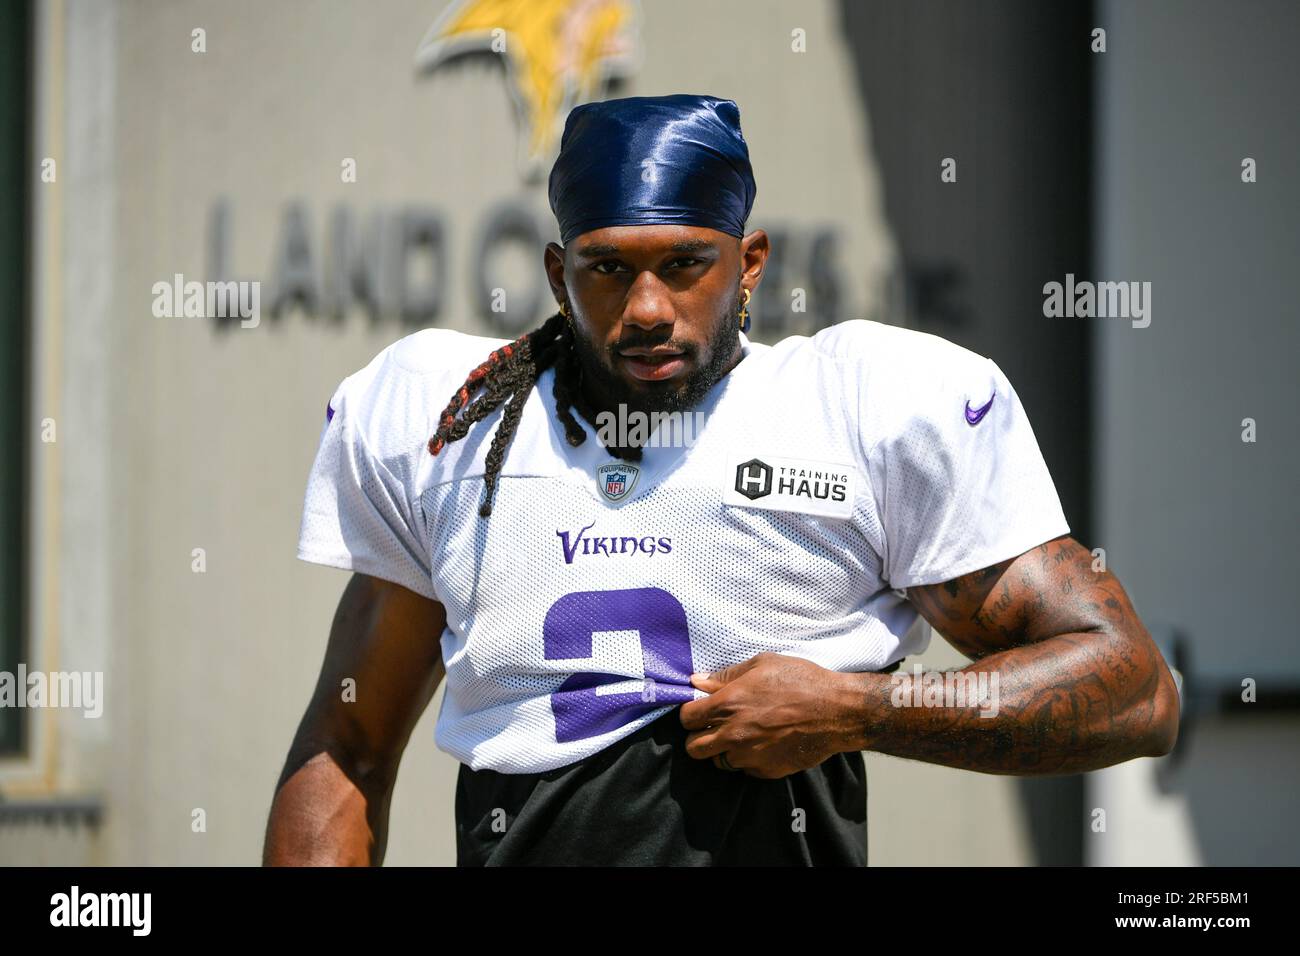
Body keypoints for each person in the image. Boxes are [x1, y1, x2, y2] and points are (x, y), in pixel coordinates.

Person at [264, 93, 1179, 867]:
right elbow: (349, 742)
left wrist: (858, 709)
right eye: (608, 269)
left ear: (749, 264)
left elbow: (1135, 691)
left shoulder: (861, 409)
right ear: (557, 274)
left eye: (684, 265)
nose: (648, 309)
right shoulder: (452, 428)